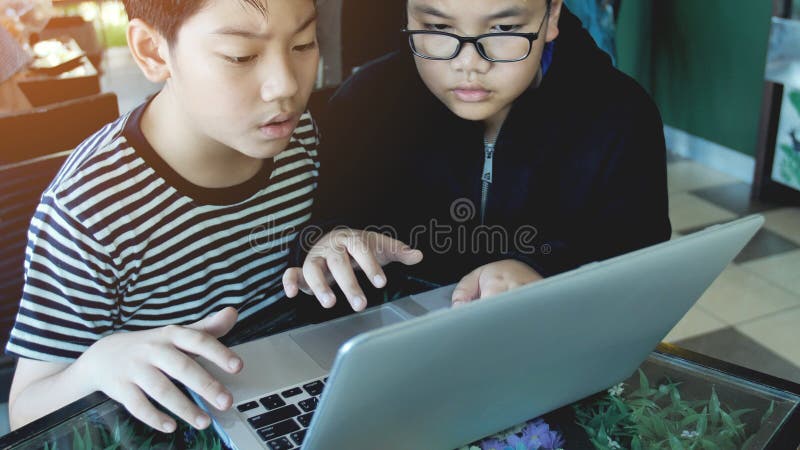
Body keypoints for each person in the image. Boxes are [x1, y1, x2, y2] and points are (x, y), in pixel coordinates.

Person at [5, 0, 321, 433]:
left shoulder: (297, 137)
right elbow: (25, 409)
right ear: (154, 52)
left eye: (303, 44)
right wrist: (93, 369)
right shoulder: (93, 208)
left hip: (275, 397)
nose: (286, 85)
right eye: (240, 56)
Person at [283, 0, 670, 311]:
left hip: (553, 358)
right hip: (399, 362)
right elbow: (322, 220)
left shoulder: (623, 117)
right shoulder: (363, 103)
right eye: (437, 28)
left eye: (503, 29)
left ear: (552, 14)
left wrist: (543, 270)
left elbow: (640, 264)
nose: (468, 63)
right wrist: (329, 242)